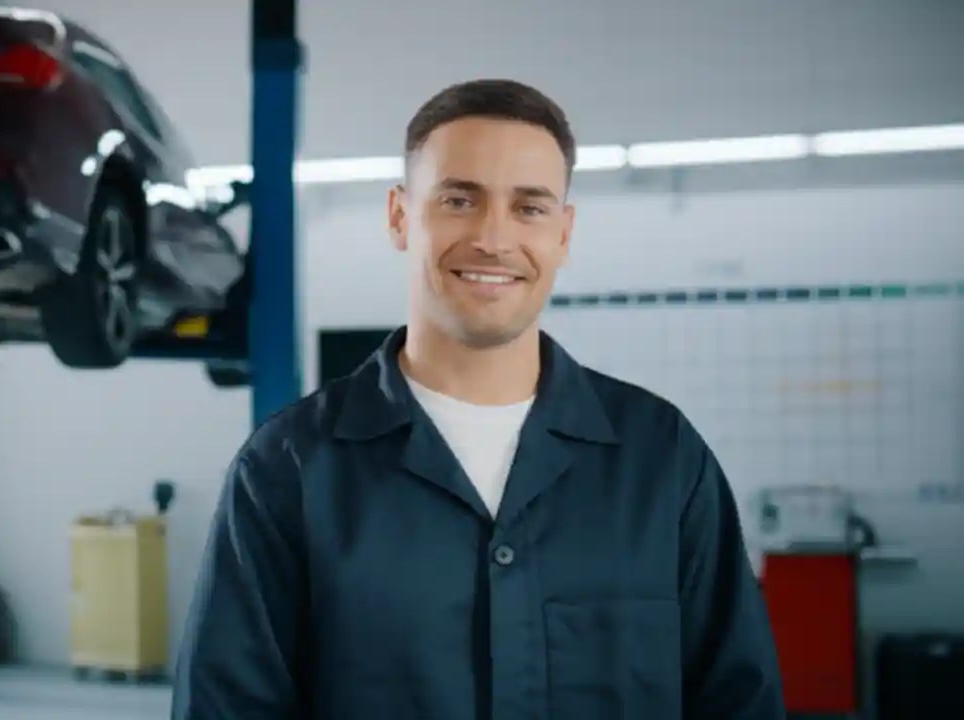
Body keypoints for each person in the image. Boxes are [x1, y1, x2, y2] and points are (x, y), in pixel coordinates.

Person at [171, 79, 785, 719]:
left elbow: (739, 702)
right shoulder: (288, 469)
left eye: (529, 207)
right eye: (459, 200)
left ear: (564, 233)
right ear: (400, 217)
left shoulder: (662, 459)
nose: (494, 237)